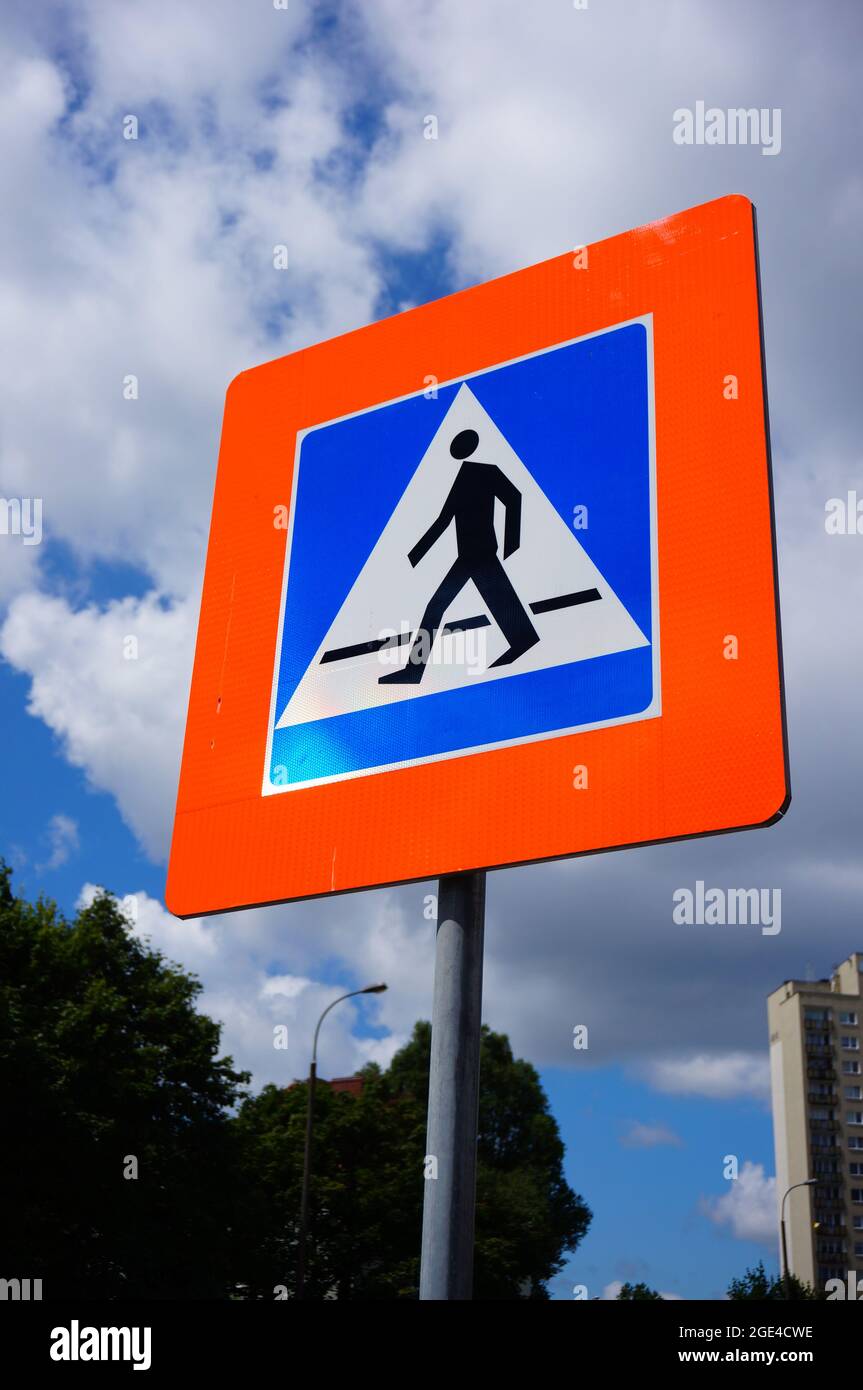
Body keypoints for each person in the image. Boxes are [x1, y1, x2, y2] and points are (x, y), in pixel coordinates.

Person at [379, 427, 539, 685]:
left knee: (443, 605)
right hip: (469, 554)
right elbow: (444, 519)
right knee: (495, 600)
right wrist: (413, 557)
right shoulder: (463, 477)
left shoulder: (484, 471)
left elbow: (513, 497)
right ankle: (523, 639)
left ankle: (414, 670)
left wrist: (512, 543)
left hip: (481, 552)